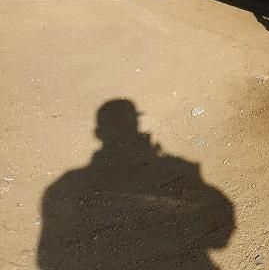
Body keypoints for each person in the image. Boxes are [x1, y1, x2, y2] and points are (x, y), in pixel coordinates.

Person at [37, 99, 235, 269]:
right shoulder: (175, 167)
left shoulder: (66, 185)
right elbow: (220, 234)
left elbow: (50, 258)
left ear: (98, 133)